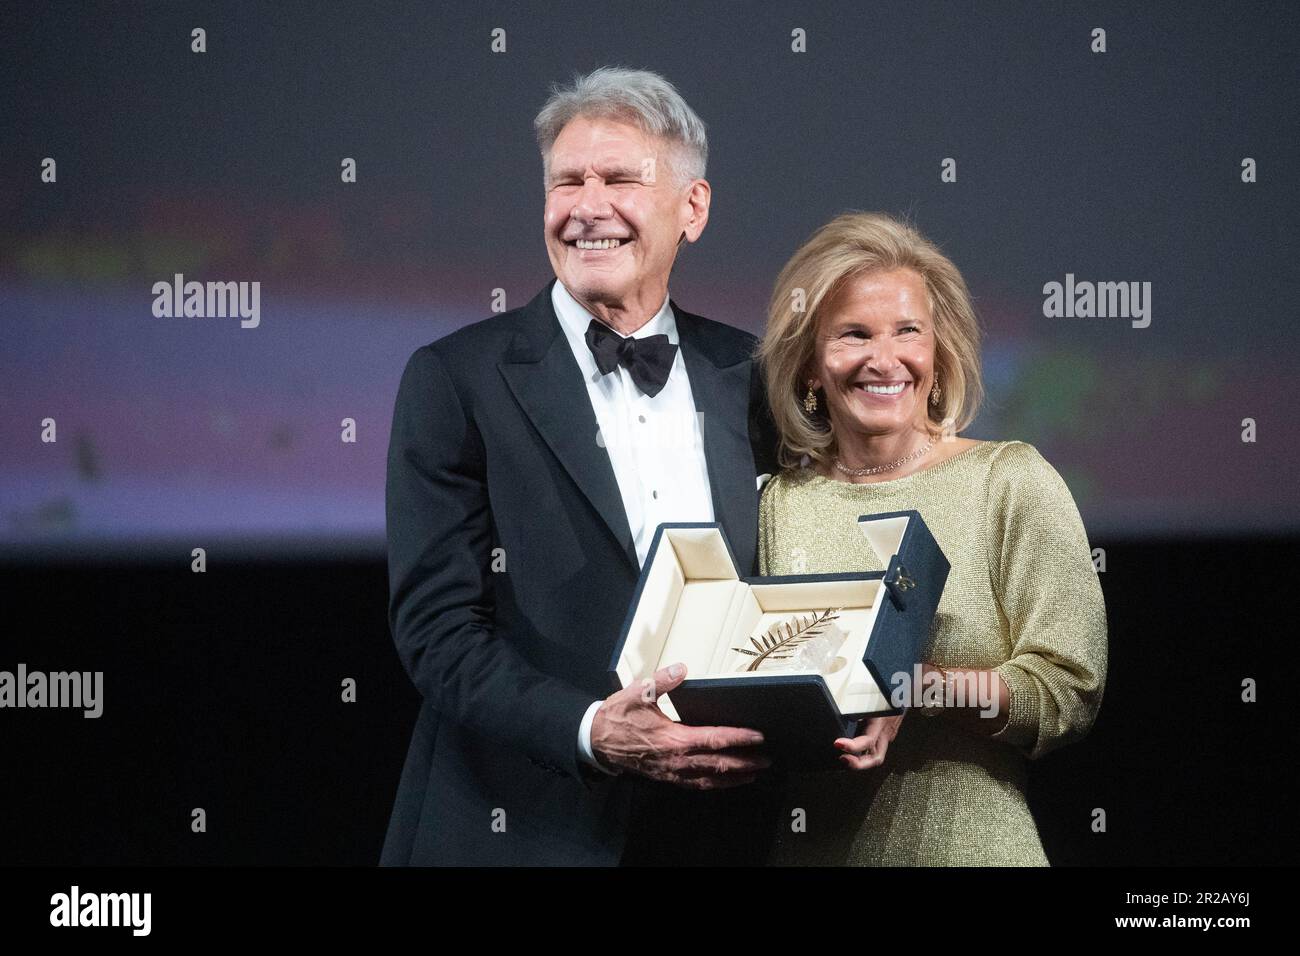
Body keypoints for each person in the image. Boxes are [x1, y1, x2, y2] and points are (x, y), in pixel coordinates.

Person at [379, 66, 780, 866]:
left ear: (692, 208)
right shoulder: (457, 379)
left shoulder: (753, 374)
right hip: (518, 826)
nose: (588, 206)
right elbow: (436, 631)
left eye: (621, 178)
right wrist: (591, 730)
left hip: (717, 827)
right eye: (568, 181)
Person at [753, 212, 1108, 865]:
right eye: (853, 334)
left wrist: (916, 687)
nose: (883, 359)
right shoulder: (775, 506)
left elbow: (1068, 692)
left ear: (939, 353)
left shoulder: (1010, 481)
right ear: (808, 366)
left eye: (907, 331)